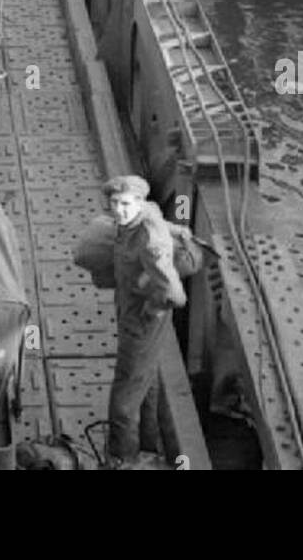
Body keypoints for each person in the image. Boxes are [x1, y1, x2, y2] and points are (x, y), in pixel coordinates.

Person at [102, 174, 185, 470]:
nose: (119, 210)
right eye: (114, 203)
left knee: (123, 399)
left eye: (125, 204)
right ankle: (149, 447)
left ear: (139, 202)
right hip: (132, 314)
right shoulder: (138, 218)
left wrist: (149, 309)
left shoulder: (149, 241)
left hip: (141, 323)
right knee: (145, 380)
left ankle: (122, 459)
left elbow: (174, 295)